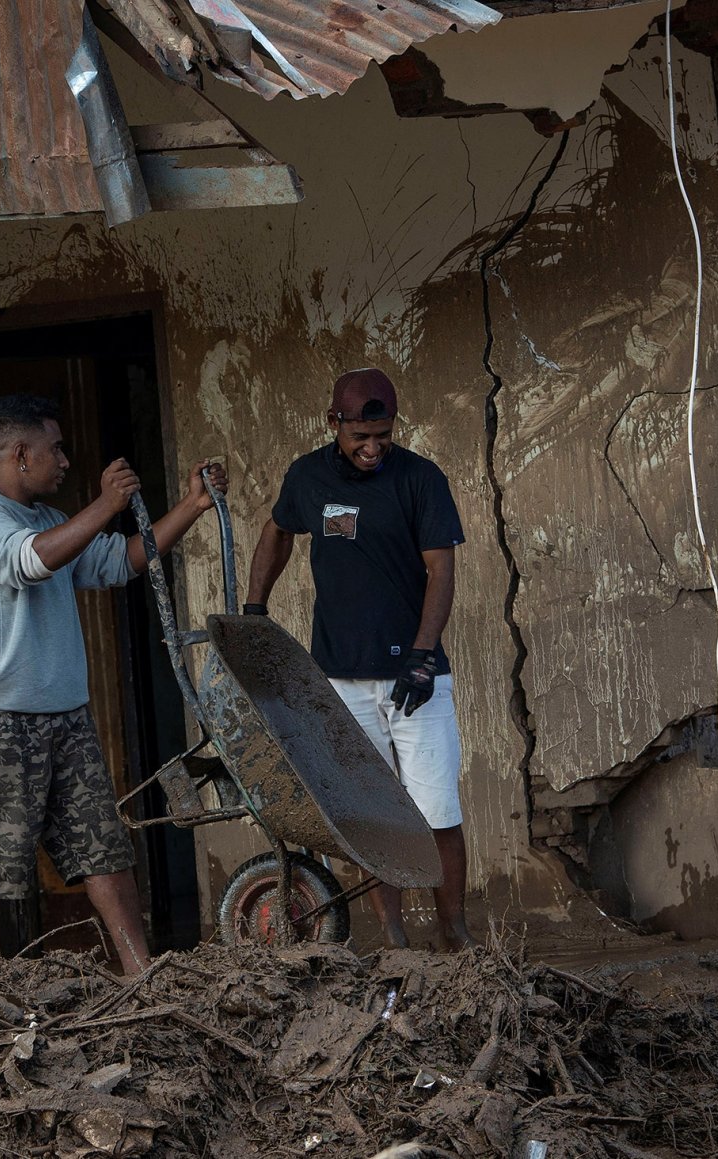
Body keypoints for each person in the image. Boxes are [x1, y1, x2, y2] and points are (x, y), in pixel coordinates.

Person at [0, 394, 228, 975]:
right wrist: (105, 503)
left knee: (102, 846)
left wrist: (193, 506)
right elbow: (28, 563)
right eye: (56, 449)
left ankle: (141, 973)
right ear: (20, 454)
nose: (65, 460)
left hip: (65, 714)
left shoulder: (49, 520)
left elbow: (123, 560)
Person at [243, 367, 472, 951]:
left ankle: (455, 931)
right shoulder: (308, 477)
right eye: (360, 438)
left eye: (384, 437)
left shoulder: (421, 479)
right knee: (371, 817)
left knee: (438, 810)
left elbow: (441, 571)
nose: (373, 449)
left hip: (415, 678)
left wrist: (423, 655)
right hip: (341, 679)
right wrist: (254, 606)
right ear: (334, 425)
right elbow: (277, 531)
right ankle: (393, 938)